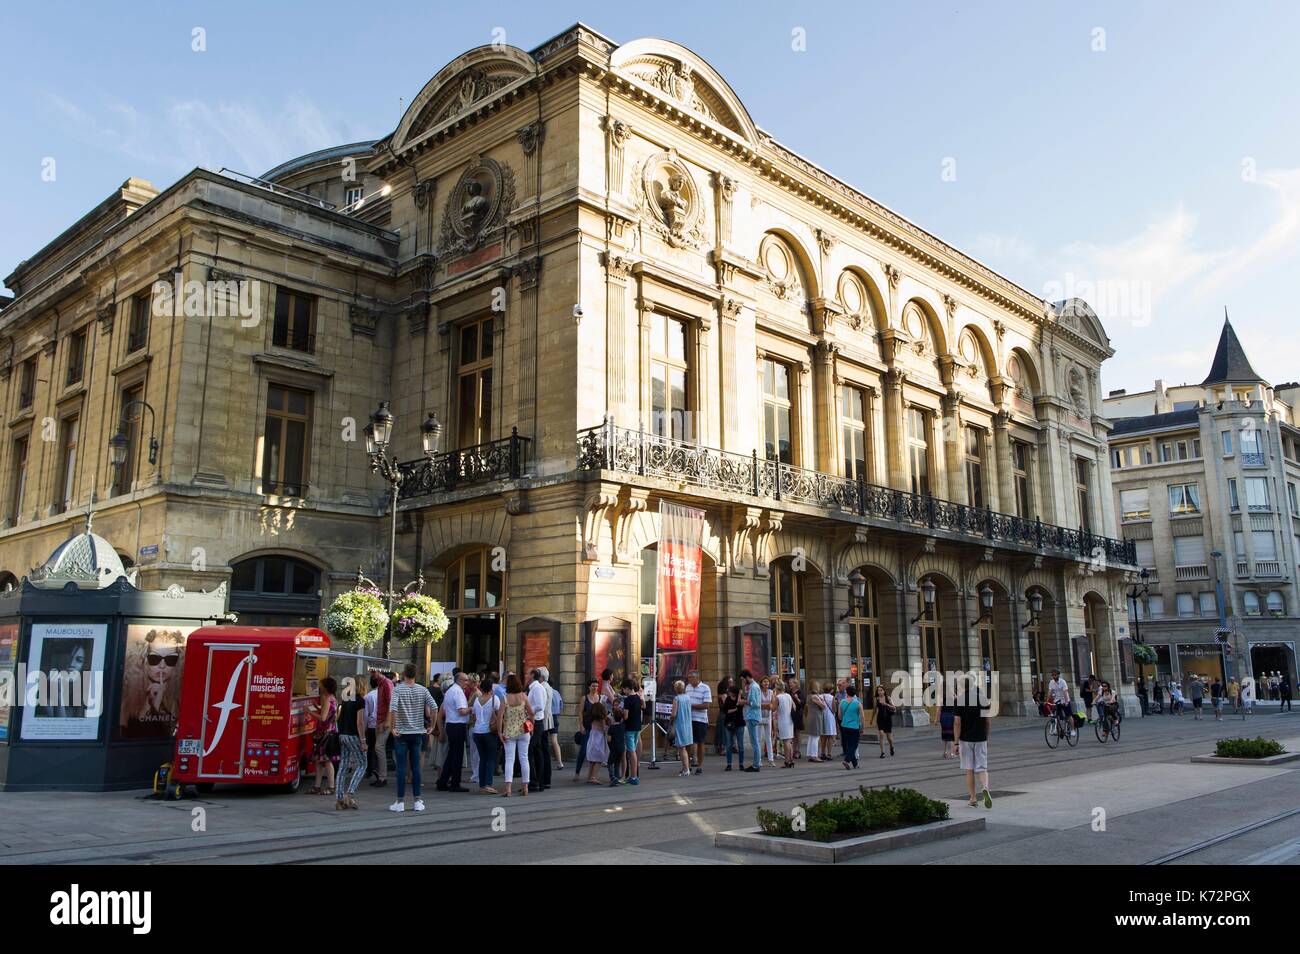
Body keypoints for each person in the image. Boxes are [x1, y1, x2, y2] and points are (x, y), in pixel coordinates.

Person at [387, 664, 437, 813]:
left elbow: (393, 709)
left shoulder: (397, 689)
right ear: (415, 675)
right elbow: (434, 707)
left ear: (404, 675)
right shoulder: (422, 690)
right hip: (417, 732)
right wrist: (432, 726)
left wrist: (392, 727)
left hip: (402, 733)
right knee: (416, 767)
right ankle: (417, 800)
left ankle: (400, 801)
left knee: (401, 768)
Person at [954, 683, 993, 809]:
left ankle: (973, 798)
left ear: (961, 687)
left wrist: (955, 742)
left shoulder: (959, 701)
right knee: (982, 767)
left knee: (969, 769)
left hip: (966, 739)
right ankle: (985, 787)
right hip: (981, 737)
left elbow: (957, 723)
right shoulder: (983, 699)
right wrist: (986, 736)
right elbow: (987, 721)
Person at [335, 675, 368, 810]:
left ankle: (339, 799)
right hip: (353, 735)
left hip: (343, 735)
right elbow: (360, 722)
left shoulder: (345, 698)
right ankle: (350, 794)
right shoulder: (360, 700)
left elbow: (339, 718)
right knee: (362, 764)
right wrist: (363, 741)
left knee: (343, 766)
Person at [499, 673, 535, 797]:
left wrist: (500, 732)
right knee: (524, 759)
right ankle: (525, 787)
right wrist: (532, 726)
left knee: (509, 760)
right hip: (523, 732)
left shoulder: (504, 698)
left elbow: (500, 717)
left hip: (509, 732)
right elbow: (531, 713)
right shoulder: (524, 696)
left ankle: (508, 788)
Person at [435, 672, 471, 792]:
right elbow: (462, 711)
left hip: (451, 725)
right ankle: (455, 783)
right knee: (457, 756)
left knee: (451, 755)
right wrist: (472, 708)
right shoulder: (458, 692)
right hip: (457, 725)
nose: (467, 682)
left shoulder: (450, 691)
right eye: (465, 680)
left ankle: (443, 781)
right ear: (459, 680)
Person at [309, 677, 340, 795]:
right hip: (330, 731)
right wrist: (317, 707)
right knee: (319, 760)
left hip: (326, 733)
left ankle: (331, 786)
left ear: (325, 687)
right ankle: (317, 786)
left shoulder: (327, 699)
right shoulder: (333, 698)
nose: (319, 686)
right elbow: (328, 713)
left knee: (326, 760)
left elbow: (323, 718)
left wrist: (309, 712)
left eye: (321, 685)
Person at [472, 675, 502, 794]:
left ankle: (482, 784)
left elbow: (474, 716)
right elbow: (499, 716)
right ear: (491, 688)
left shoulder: (476, 700)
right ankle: (488, 784)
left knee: (483, 758)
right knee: (491, 759)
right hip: (489, 732)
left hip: (477, 731)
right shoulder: (495, 699)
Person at [527, 668, 554, 792]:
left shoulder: (537, 688)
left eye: (528, 673)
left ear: (533, 675)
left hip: (537, 722)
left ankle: (534, 781)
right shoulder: (535, 687)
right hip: (536, 722)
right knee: (537, 751)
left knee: (531, 751)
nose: (526, 675)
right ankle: (539, 782)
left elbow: (540, 706)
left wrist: (527, 710)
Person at [572, 677, 601, 782]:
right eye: (593, 686)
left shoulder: (599, 698)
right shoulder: (585, 698)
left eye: (597, 686)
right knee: (583, 750)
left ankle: (591, 775)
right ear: (589, 687)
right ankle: (577, 772)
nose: (595, 688)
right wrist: (581, 726)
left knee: (594, 750)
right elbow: (580, 712)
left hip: (597, 728)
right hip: (587, 727)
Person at [369, 668, 393, 787]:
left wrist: (387, 720)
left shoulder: (387, 683)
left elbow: (391, 702)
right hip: (380, 720)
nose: (371, 674)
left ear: (379, 671)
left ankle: (383, 777)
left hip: (384, 720)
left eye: (373, 672)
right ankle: (381, 776)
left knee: (379, 747)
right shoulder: (381, 683)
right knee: (378, 747)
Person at [686, 670, 712, 774]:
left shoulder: (705, 688)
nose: (689, 680)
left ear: (696, 678)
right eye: (688, 678)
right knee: (688, 742)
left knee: (700, 742)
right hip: (689, 719)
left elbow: (706, 705)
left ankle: (700, 766)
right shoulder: (687, 687)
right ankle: (687, 765)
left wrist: (691, 706)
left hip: (700, 720)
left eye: (690, 678)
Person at [620, 678, 643, 784]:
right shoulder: (638, 697)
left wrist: (621, 712)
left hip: (629, 728)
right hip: (637, 727)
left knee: (631, 751)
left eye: (623, 689)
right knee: (632, 750)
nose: (623, 691)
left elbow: (626, 716)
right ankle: (634, 775)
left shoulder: (628, 699)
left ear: (627, 688)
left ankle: (633, 776)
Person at [741, 669, 763, 773]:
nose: (743, 682)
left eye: (743, 679)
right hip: (752, 716)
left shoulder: (754, 687)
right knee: (755, 741)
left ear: (746, 677)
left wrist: (744, 702)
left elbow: (755, 703)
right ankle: (756, 763)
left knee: (754, 742)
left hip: (752, 716)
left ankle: (756, 764)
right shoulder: (753, 686)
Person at [671, 682, 694, 776]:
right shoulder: (688, 697)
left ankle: (686, 769)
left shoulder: (676, 699)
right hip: (688, 724)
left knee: (682, 748)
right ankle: (685, 768)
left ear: (676, 689)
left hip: (680, 724)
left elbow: (673, 714)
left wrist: (670, 720)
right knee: (685, 746)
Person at [584, 701, 610, 784]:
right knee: (598, 759)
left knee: (592, 760)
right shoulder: (602, 719)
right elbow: (604, 729)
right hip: (599, 739)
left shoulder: (592, 719)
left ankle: (589, 776)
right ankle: (594, 777)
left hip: (592, 738)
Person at [720, 681, 744, 770]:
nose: (728, 692)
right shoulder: (728, 699)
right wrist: (734, 710)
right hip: (728, 723)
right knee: (729, 744)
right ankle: (729, 764)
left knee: (740, 744)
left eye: (730, 691)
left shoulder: (741, 698)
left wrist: (739, 696)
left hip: (739, 723)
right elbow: (725, 711)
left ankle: (741, 764)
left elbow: (739, 704)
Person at [838, 684, 863, 769]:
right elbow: (862, 717)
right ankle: (846, 760)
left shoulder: (842, 702)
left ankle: (855, 764)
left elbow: (839, 716)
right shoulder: (858, 703)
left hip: (844, 726)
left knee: (849, 745)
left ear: (847, 692)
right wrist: (862, 727)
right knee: (854, 745)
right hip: (854, 726)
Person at [775, 680, 795, 768]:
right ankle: (791, 760)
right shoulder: (788, 696)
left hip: (783, 720)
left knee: (786, 741)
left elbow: (773, 708)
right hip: (789, 719)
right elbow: (793, 706)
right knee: (789, 741)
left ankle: (787, 761)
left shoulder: (778, 697)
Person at [804, 680, 825, 762]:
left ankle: (809, 754)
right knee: (816, 736)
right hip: (816, 716)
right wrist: (821, 700)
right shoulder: (815, 696)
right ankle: (814, 755)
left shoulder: (809, 696)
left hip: (811, 716)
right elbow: (823, 706)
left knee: (811, 736)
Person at [363, 675, 379, 781]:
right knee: (380, 748)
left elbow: (365, 714)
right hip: (381, 724)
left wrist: (364, 727)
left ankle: (369, 769)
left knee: (370, 748)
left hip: (371, 724)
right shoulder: (384, 694)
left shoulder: (368, 696)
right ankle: (378, 768)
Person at [758, 676, 777, 767]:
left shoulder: (771, 692)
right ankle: (758, 760)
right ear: (761, 683)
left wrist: (769, 706)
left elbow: (773, 705)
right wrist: (767, 705)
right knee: (758, 739)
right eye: (764, 682)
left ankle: (771, 759)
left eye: (767, 682)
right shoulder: (758, 692)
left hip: (768, 717)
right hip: (759, 717)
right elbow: (757, 704)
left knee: (768, 738)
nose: (766, 683)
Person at [715, 677, 735, 756]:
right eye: (730, 682)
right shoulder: (724, 694)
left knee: (724, 731)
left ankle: (725, 746)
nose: (731, 684)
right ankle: (723, 747)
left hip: (725, 713)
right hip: (725, 714)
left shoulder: (726, 693)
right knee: (724, 731)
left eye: (732, 682)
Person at [1046, 669, 1071, 734]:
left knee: (1069, 715)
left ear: (1058, 675)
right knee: (1057, 716)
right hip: (1057, 700)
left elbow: (1065, 692)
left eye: (1055, 675)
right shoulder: (1051, 682)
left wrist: (1066, 702)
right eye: (1053, 675)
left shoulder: (1063, 682)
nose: (1054, 677)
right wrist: (1047, 700)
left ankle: (1073, 730)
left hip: (1065, 699)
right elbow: (1049, 692)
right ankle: (1059, 730)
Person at [875, 684, 896, 757]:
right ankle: (882, 752)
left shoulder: (888, 698)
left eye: (881, 690)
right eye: (878, 690)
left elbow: (894, 708)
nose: (880, 692)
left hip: (887, 719)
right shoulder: (877, 699)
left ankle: (891, 747)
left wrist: (886, 704)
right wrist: (872, 719)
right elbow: (875, 709)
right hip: (880, 719)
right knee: (881, 734)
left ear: (884, 691)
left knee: (889, 738)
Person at [787, 677, 806, 760]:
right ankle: (792, 750)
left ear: (795, 684)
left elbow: (802, 704)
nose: (790, 684)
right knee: (792, 733)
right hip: (790, 714)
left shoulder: (800, 692)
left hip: (798, 714)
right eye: (789, 683)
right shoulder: (789, 692)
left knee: (797, 733)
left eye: (791, 683)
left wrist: (797, 698)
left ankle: (798, 750)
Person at [548, 680, 565, 770]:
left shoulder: (545, 691)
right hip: (555, 718)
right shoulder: (556, 692)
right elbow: (561, 705)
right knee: (555, 741)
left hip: (547, 717)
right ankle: (560, 762)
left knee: (544, 741)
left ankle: (545, 761)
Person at [820, 683, 838, 760]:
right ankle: (829, 753)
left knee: (823, 736)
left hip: (822, 716)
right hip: (830, 717)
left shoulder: (820, 696)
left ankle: (822, 753)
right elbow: (834, 709)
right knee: (830, 736)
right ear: (831, 690)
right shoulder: (832, 697)